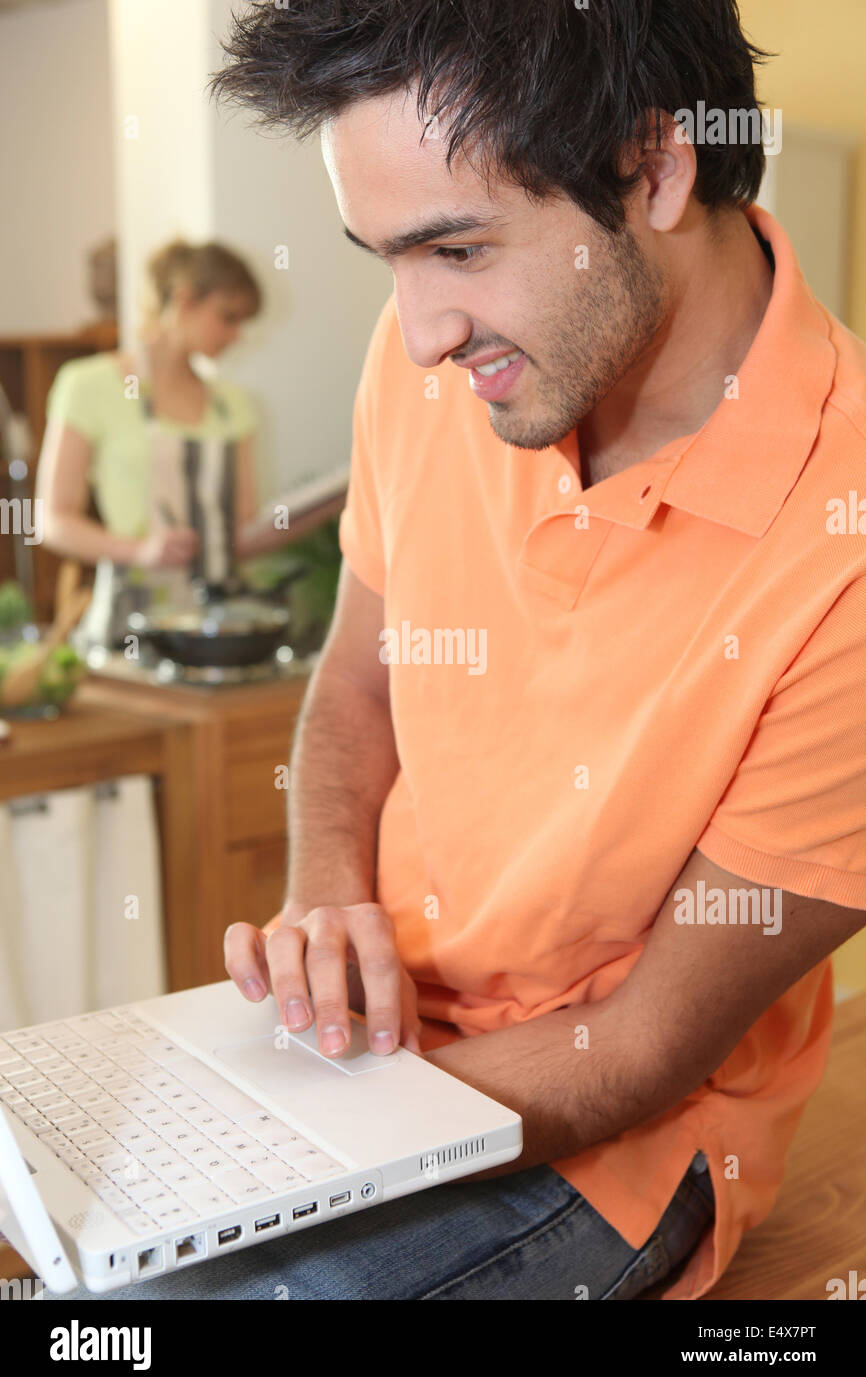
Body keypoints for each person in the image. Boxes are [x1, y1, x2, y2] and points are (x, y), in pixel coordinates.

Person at [49, 0, 866, 1302]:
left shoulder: (848, 541)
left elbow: (636, 1053)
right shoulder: (435, 360)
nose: (419, 331)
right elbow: (358, 679)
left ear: (653, 165)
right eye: (386, 259)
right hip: (363, 1064)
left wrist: (269, 1138)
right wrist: (325, 893)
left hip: (607, 1151)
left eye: (457, 249)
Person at [37, 239, 272, 651]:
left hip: (220, 628)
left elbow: (243, 528)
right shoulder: (89, 385)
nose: (237, 335)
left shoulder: (232, 405)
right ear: (184, 300)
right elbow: (53, 521)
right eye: (228, 317)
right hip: (128, 630)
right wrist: (142, 551)